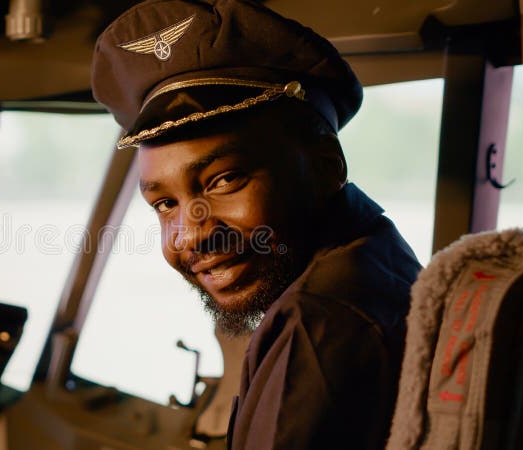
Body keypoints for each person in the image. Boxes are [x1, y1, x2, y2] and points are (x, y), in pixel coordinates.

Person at [90, 0, 422, 448]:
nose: (191, 234)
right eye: (165, 204)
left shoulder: (316, 325)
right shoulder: (378, 257)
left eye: (226, 180)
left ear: (325, 166)